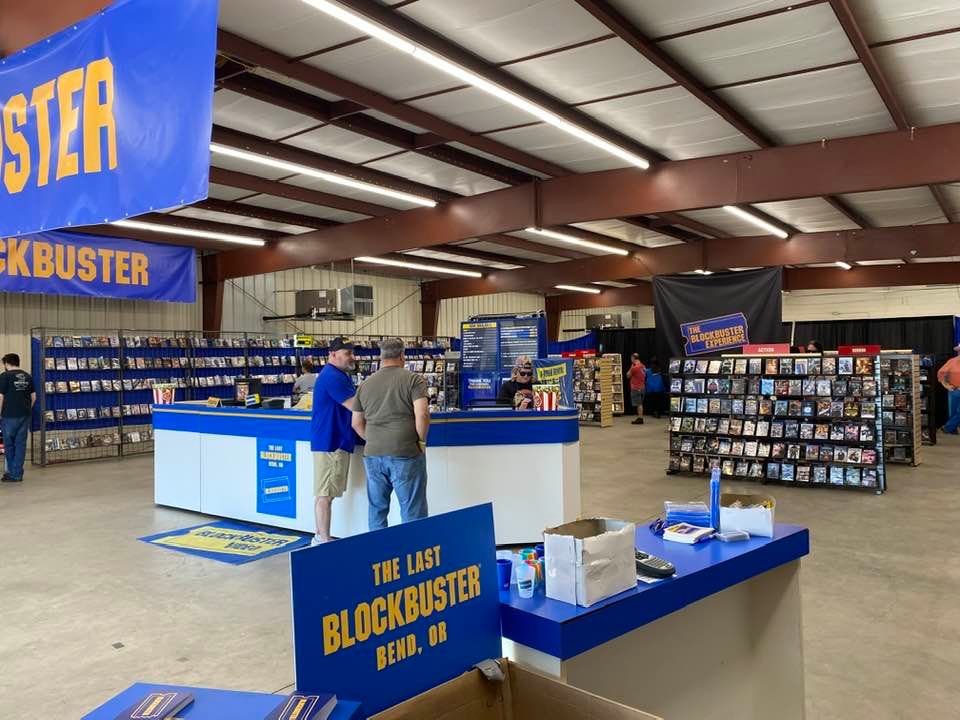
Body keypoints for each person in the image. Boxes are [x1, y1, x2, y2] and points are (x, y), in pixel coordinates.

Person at [352, 338, 430, 530]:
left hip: (373, 454)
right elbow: (422, 413)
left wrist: (372, 439)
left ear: (381, 357)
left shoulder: (365, 384)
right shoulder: (413, 379)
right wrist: (420, 441)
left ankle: (378, 556)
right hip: (405, 451)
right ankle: (414, 555)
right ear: (403, 355)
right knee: (413, 511)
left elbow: (356, 423)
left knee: (377, 509)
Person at [310, 337, 357, 545]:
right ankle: (323, 539)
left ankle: (320, 536)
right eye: (347, 353)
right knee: (325, 495)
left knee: (325, 493)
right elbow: (355, 405)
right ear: (332, 354)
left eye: (352, 353)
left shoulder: (338, 375)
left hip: (333, 440)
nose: (352, 357)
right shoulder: (332, 377)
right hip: (332, 442)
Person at [0, 353, 35, 483]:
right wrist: (26, 410)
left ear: (6, 363)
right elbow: (33, 398)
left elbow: (0, 397)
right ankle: (17, 473)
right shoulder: (27, 376)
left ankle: (13, 474)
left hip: (9, 416)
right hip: (25, 415)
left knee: (9, 445)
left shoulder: (4, 376)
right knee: (20, 445)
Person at [937, 344, 960, 435]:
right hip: (954, 390)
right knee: (953, 412)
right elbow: (941, 373)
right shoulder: (952, 361)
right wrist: (946, 385)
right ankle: (952, 428)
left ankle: (947, 428)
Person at [627, 353, 646, 424]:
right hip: (642, 387)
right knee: (640, 403)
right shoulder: (643, 366)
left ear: (633, 358)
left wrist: (631, 366)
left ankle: (640, 418)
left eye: (631, 358)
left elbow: (628, 375)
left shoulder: (634, 367)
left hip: (636, 388)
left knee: (639, 404)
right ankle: (640, 417)